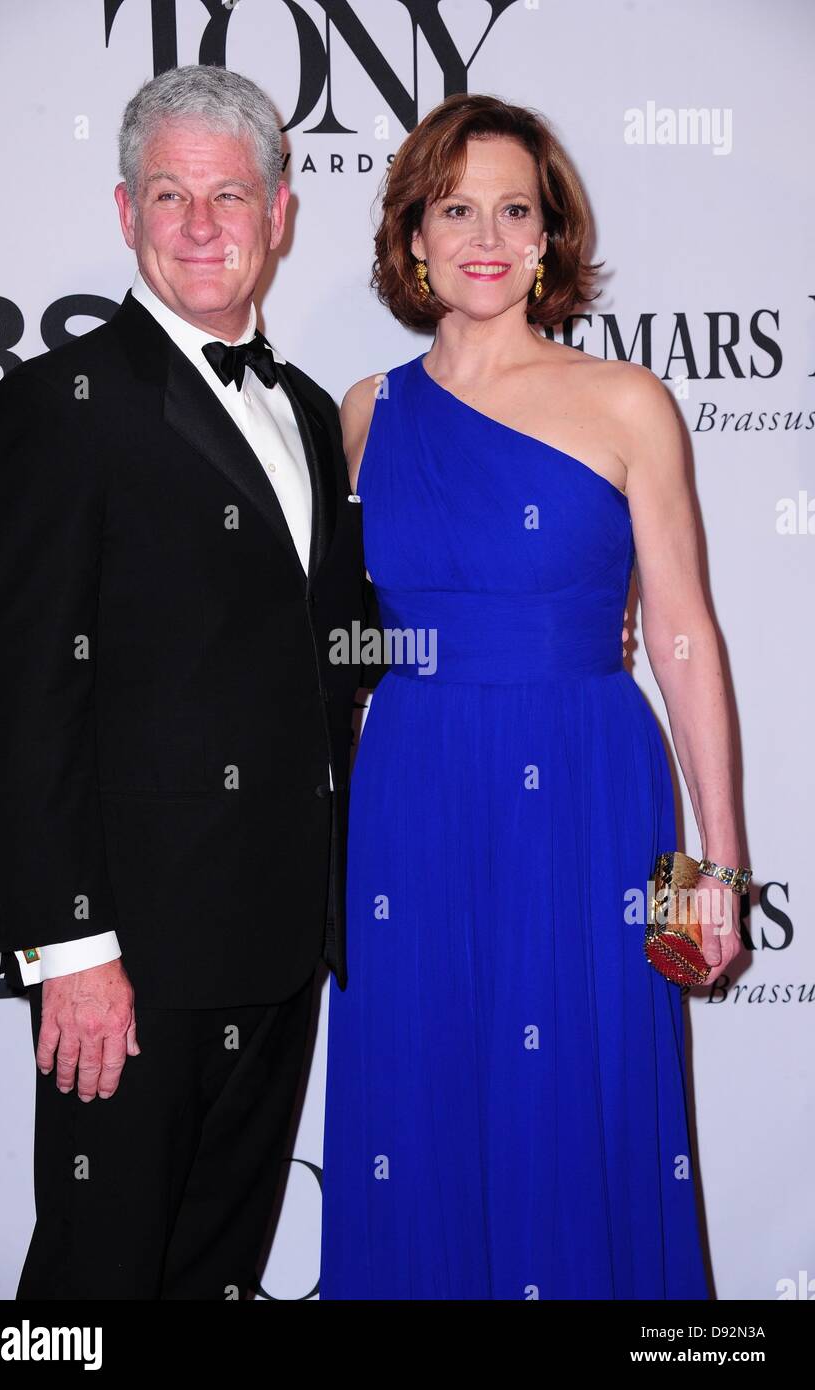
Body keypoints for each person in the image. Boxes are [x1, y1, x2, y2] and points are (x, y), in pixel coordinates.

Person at [320, 93, 750, 1300]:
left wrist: (715, 867)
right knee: (422, 1090)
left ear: (551, 235)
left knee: (585, 1087)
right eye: (455, 209)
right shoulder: (365, 413)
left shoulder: (626, 403)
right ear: (413, 236)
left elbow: (684, 636)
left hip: (583, 783)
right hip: (410, 792)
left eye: (515, 210)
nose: (487, 237)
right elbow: (340, 644)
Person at [0, 63, 374, 1300]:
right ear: (125, 211)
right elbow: (22, 696)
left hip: (280, 940)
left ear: (279, 213)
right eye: (169, 194)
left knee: (214, 1272)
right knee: (93, 1283)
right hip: (130, 955)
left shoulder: (311, 413)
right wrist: (73, 946)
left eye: (229, 195)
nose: (201, 225)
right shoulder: (56, 406)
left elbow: (325, 646)